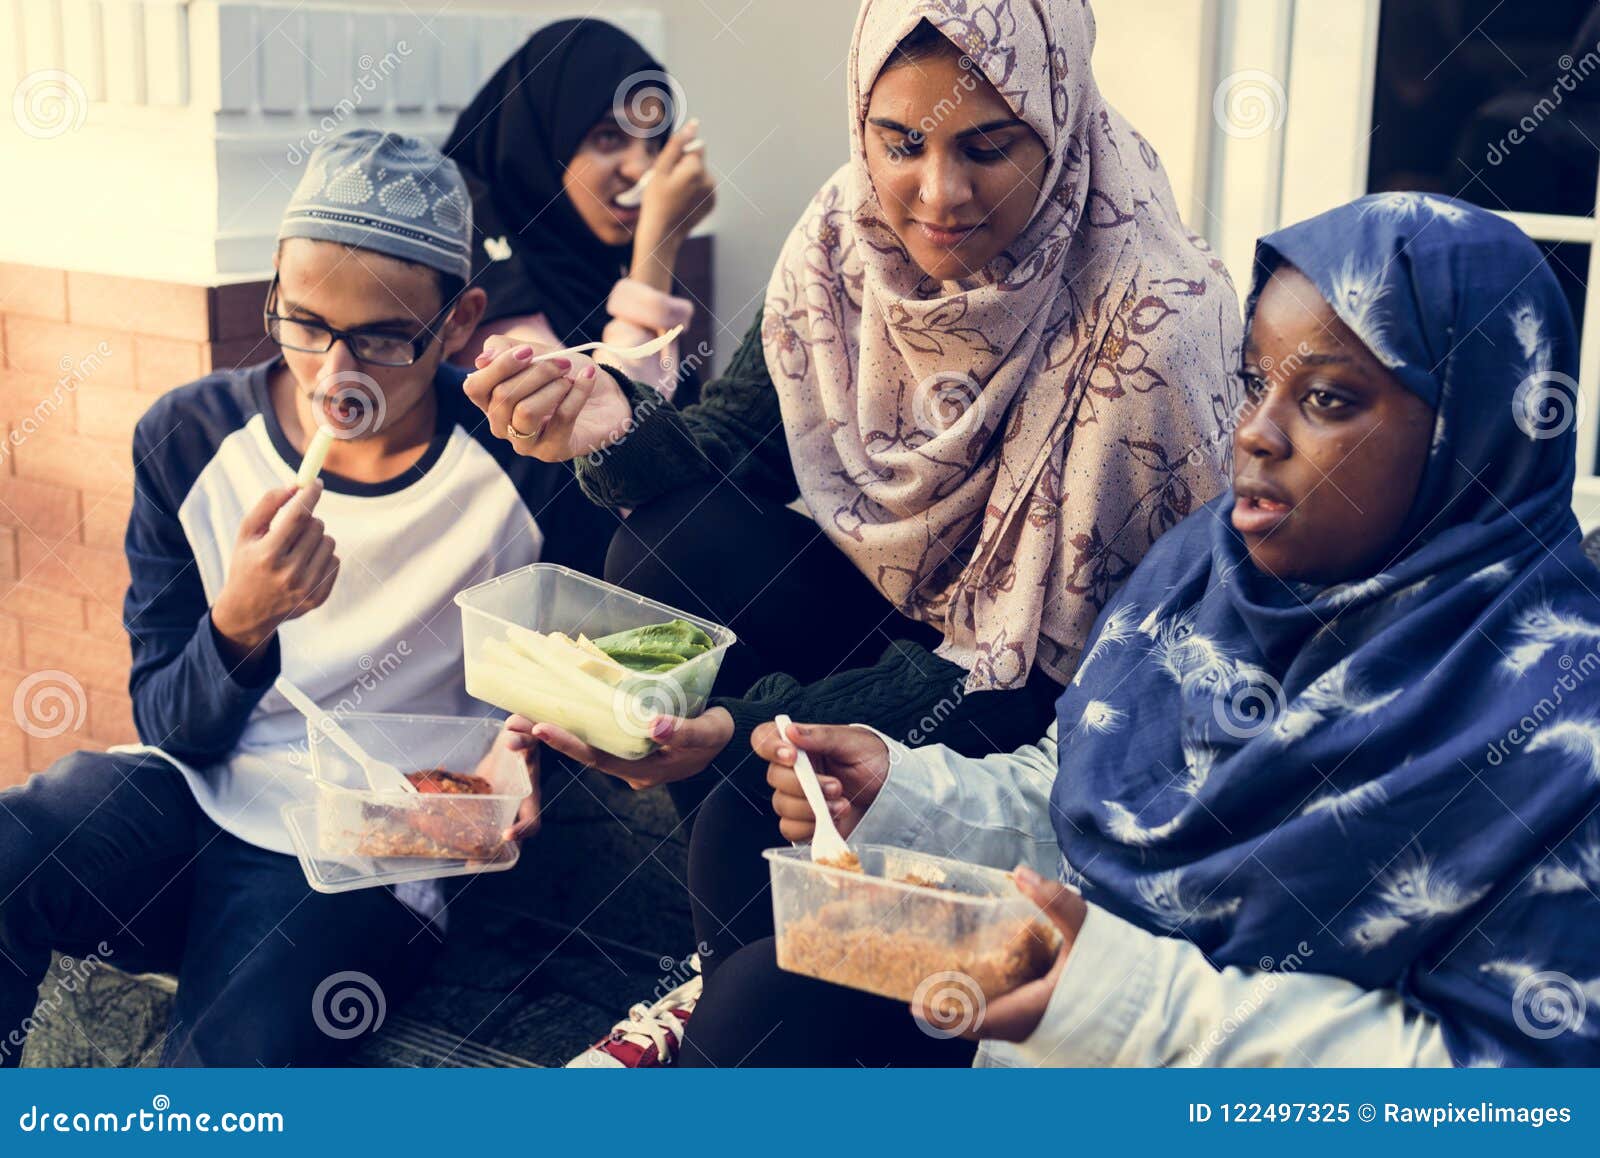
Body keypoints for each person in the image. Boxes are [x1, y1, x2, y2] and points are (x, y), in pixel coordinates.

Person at [466, 0, 1242, 1066]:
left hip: (1060, 705)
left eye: (987, 145)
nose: (937, 192)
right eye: (900, 142)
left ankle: (788, 1013)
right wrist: (614, 422)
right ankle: (763, 998)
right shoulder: (848, 229)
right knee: (666, 541)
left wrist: (741, 730)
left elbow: (1058, 683)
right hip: (915, 623)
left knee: (753, 803)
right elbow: (739, 445)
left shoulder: (1152, 318)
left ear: (1057, 120)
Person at [715, 192, 1600, 1067]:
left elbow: (1507, 1093)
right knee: (770, 994)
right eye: (1257, 381)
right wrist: (908, 797)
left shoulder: (1555, 721)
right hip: (1073, 1047)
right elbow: (1083, 801)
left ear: (1471, 426)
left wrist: (1128, 1001)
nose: (1255, 431)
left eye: (1327, 399)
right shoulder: (1205, 576)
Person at [0, 129, 618, 1067]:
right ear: (275, 298)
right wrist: (241, 624)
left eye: (380, 338)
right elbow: (170, 723)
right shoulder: (189, 434)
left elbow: (596, 668)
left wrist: (527, 743)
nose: (336, 375)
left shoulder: (515, 465)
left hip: (369, 851)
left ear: (459, 322)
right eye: (306, 325)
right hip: (193, 797)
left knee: (224, 1075)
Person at [443, 18, 714, 400]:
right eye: (608, 137)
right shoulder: (485, 270)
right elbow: (606, 435)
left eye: (654, 142)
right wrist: (659, 245)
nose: (642, 170)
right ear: (540, 144)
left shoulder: (594, 257)